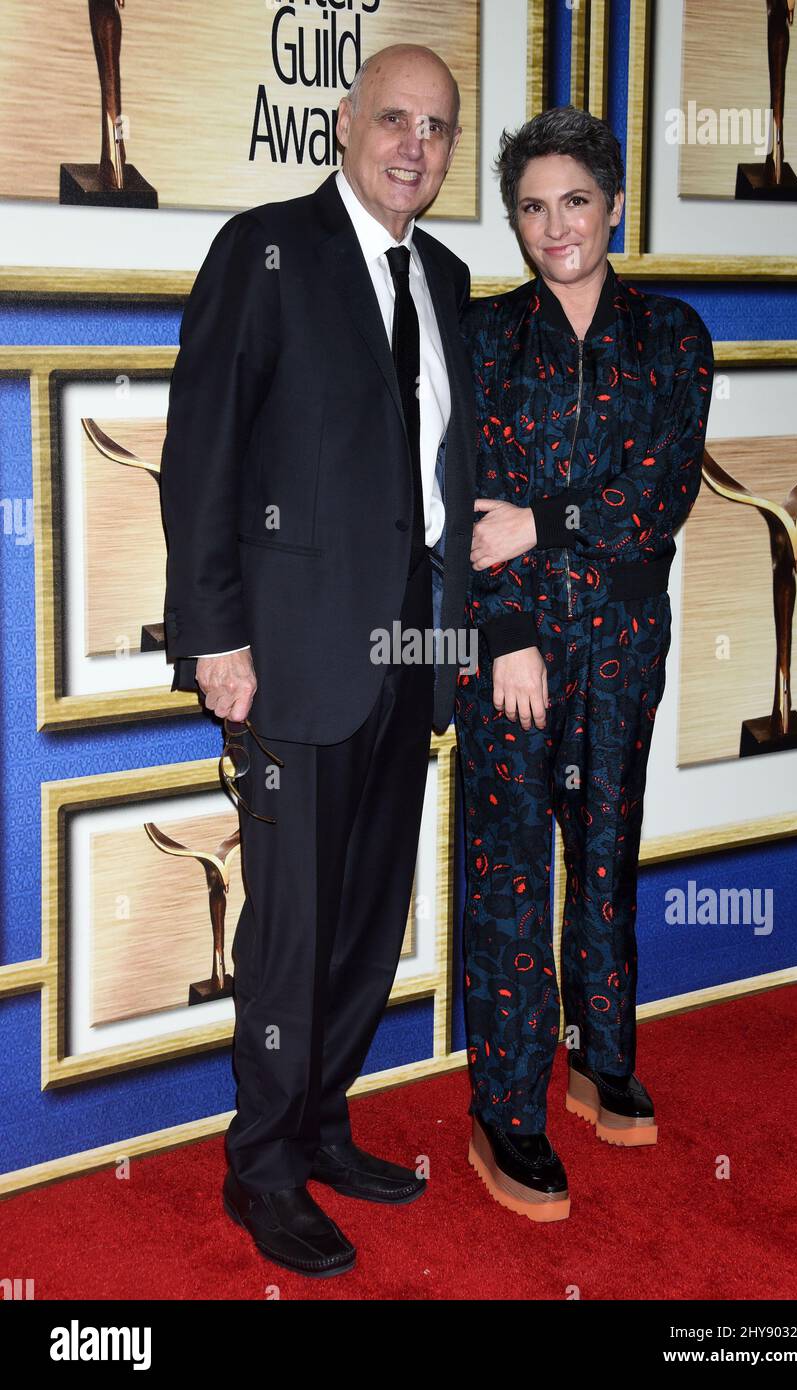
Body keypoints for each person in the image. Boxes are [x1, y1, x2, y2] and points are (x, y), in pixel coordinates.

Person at [159, 44, 476, 1278]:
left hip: (411, 646)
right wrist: (217, 637)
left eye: (437, 128)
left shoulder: (442, 276)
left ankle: (324, 1120)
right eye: (393, 118)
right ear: (343, 125)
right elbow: (203, 455)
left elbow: (438, 480)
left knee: (365, 911)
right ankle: (263, 1166)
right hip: (290, 653)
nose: (414, 144)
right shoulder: (265, 249)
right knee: (289, 925)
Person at [455, 106, 714, 1221]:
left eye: (572, 200)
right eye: (529, 205)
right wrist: (505, 629)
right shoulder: (478, 337)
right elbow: (467, 510)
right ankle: (505, 1105)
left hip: (622, 640)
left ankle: (598, 1054)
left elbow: (655, 498)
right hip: (512, 646)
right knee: (506, 874)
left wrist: (541, 521)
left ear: (613, 206)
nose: (552, 225)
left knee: (604, 854)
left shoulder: (673, 335)